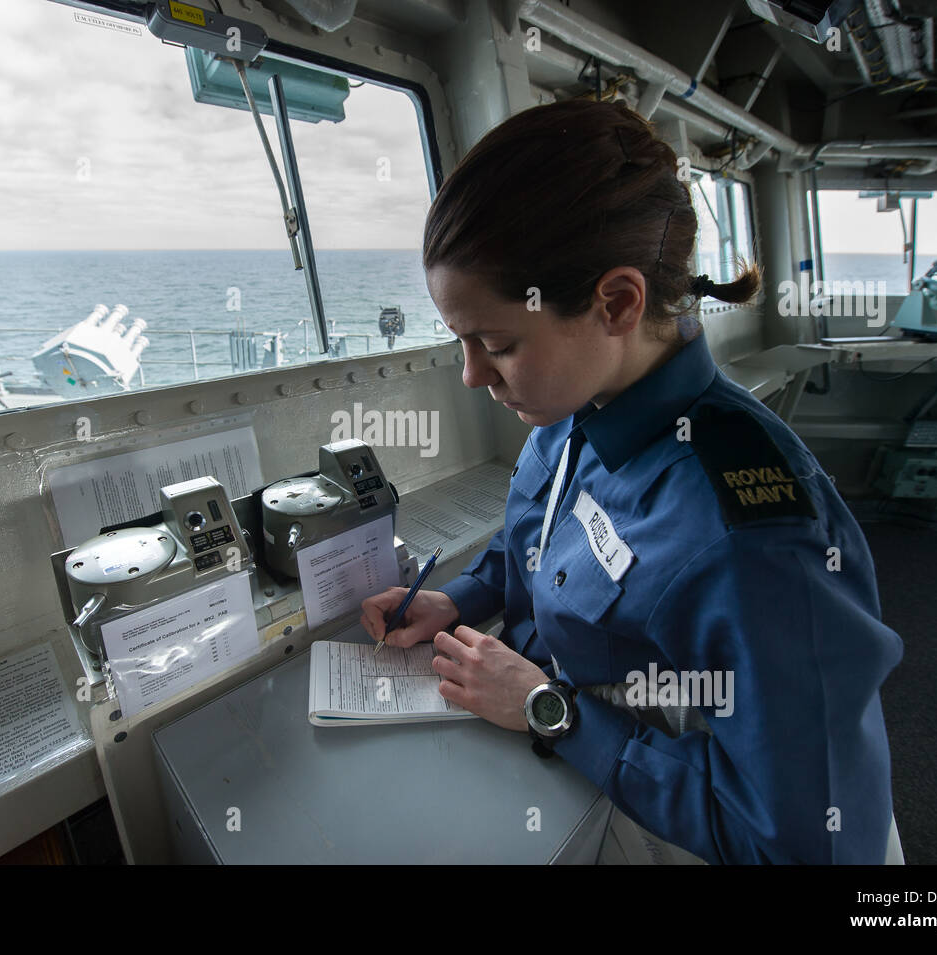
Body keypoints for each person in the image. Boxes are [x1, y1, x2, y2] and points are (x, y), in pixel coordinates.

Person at [360, 98, 904, 864]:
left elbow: (802, 845)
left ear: (617, 302)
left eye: (498, 343)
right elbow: (539, 539)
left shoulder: (752, 544)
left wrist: (553, 711)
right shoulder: (565, 402)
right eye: (462, 341)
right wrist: (466, 597)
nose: (473, 375)